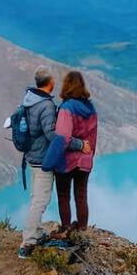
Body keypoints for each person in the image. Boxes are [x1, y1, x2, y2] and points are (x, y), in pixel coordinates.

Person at [17, 66, 59, 259]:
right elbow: (51, 134)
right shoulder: (47, 105)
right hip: (42, 159)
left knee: (36, 197)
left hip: (31, 157)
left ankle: (36, 231)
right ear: (50, 82)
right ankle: (28, 242)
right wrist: (74, 143)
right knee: (41, 200)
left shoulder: (29, 100)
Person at [53, 71, 97, 235]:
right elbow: (93, 136)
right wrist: (90, 154)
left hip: (67, 160)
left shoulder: (67, 108)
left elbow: (63, 137)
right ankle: (82, 229)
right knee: (81, 196)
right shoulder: (90, 108)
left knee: (63, 195)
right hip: (85, 159)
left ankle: (65, 228)